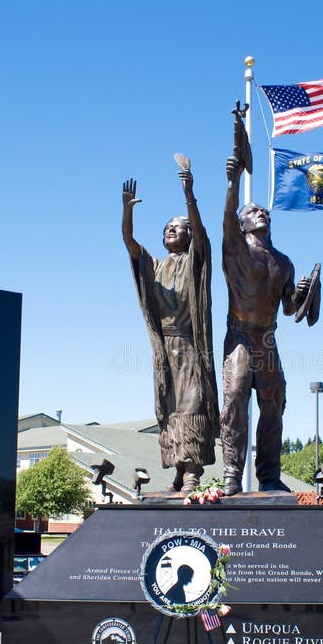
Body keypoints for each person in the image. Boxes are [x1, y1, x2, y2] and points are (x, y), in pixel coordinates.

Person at [220, 115, 312, 497]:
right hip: (240, 334)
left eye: (264, 212)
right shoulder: (237, 250)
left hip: (269, 339)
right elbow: (226, 217)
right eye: (254, 212)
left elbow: (290, 309)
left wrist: (302, 292)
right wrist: (233, 180)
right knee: (236, 398)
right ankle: (230, 474)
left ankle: (269, 475)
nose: (262, 213)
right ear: (242, 225)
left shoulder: (284, 261)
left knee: (274, 404)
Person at [121, 169, 218, 493]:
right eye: (167, 228)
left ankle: (192, 470)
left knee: (193, 404)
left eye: (178, 227)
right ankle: (178, 466)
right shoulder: (156, 266)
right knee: (167, 407)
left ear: (188, 234)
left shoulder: (194, 260)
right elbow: (131, 244)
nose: (171, 231)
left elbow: (203, 236)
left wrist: (190, 194)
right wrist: (127, 212)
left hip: (190, 345)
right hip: (165, 348)